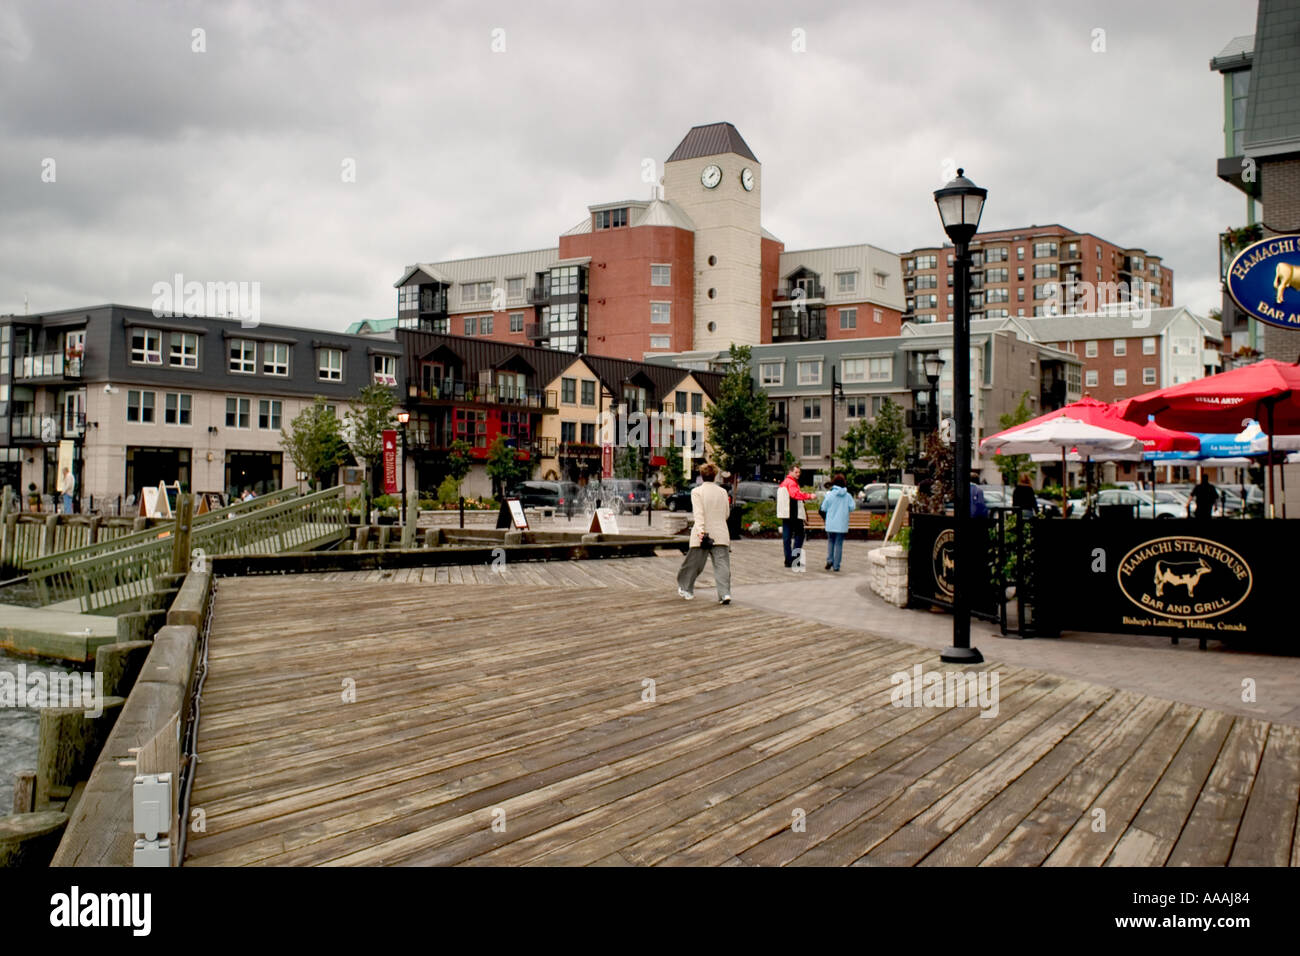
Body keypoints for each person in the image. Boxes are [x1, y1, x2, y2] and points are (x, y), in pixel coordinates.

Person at [676, 462, 732, 605]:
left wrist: (701, 532)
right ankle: (724, 593)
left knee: (693, 564)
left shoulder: (697, 492)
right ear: (714, 476)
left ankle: (686, 589)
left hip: (703, 535)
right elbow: (726, 513)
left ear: (701, 476)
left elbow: (699, 514)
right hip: (720, 533)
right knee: (722, 565)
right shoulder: (723, 492)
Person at [776, 465, 814, 569]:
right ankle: (795, 560)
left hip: (785, 514)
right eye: (796, 472)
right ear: (791, 472)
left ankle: (788, 560)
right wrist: (809, 496)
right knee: (799, 536)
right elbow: (795, 495)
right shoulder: (792, 483)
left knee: (786, 538)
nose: (798, 474)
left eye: (799, 473)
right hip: (795, 514)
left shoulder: (783, 483)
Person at [821, 474, 855, 572]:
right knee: (839, 544)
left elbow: (823, 508)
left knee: (831, 541)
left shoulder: (829, 494)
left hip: (831, 523)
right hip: (842, 524)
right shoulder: (848, 496)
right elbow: (852, 507)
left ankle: (829, 560)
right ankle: (836, 566)